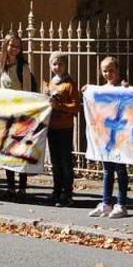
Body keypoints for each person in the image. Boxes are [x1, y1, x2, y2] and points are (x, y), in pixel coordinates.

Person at [0, 31, 38, 199]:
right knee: (7, 152)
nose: (15, 49)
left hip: (20, 116)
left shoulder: (23, 67)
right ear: (5, 46)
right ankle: (10, 186)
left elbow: (27, 92)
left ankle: (22, 187)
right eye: (12, 45)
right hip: (5, 116)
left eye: (18, 47)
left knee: (20, 152)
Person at [88, 56, 130, 218]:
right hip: (106, 137)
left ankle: (121, 204)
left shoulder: (124, 88)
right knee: (107, 170)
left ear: (118, 71)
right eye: (105, 71)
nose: (108, 74)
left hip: (120, 135)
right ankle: (106, 203)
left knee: (120, 170)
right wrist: (89, 91)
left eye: (111, 70)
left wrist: (127, 89)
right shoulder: (100, 89)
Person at [47, 51, 82, 207]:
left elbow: (75, 106)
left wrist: (59, 106)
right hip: (51, 127)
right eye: (54, 64)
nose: (57, 67)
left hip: (65, 127)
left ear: (65, 65)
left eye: (60, 64)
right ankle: (56, 190)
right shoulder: (51, 82)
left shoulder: (70, 84)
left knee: (65, 162)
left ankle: (67, 193)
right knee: (55, 162)